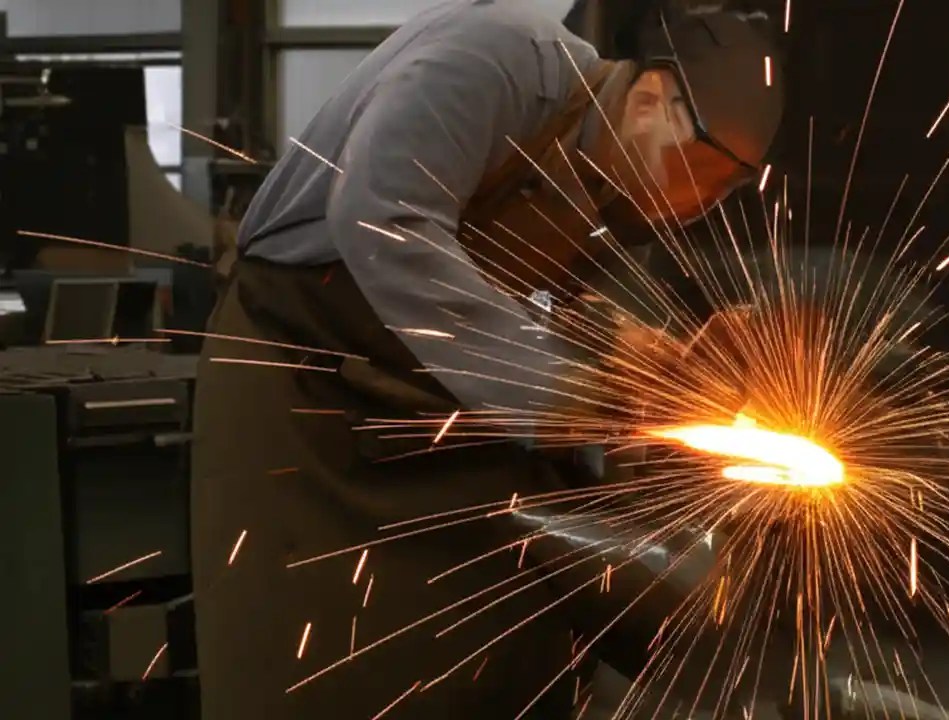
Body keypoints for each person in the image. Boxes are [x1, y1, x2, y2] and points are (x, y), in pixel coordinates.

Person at [191, 0, 788, 718]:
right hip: (307, 385)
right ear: (650, 99)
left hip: (428, 408)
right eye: (700, 171)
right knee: (315, 661)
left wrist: (622, 346)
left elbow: (514, 286)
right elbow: (386, 220)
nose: (698, 204)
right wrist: (552, 385)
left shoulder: (606, 177)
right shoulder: (497, 61)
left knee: (496, 653)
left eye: (724, 189)